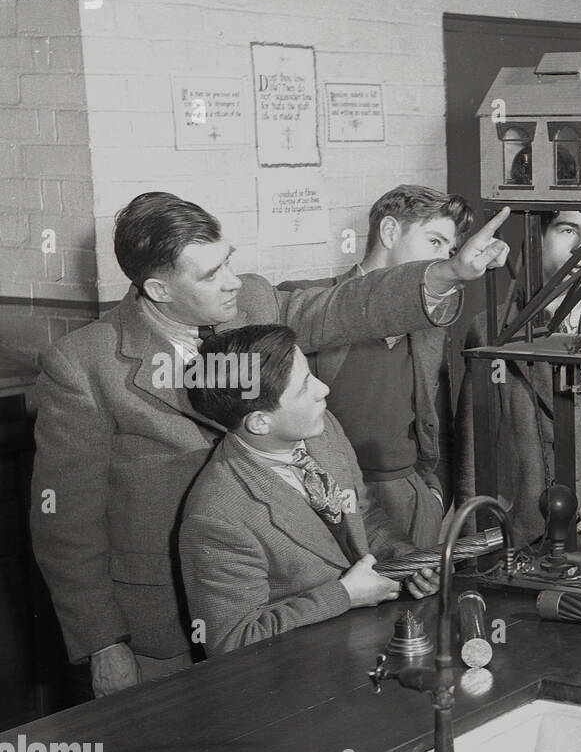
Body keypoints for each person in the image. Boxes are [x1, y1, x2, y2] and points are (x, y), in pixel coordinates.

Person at [30, 190, 509, 696]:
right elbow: (67, 527)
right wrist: (104, 644)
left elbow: (346, 307)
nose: (232, 282)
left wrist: (445, 274)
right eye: (210, 275)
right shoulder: (83, 365)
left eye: (228, 262)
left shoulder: (253, 301)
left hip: (294, 609)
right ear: (158, 288)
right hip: (164, 627)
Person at [179, 326, 435, 655]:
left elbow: (363, 516)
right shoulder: (218, 518)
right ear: (259, 422)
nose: (323, 388)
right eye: (303, 388)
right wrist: (344, 595)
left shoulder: (322, 428)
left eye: (311, 375)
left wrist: (407, 561)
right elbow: (232, 642)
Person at [281, 185, 476, 550]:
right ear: (389, 232)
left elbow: (439, 424)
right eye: (434, 242)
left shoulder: (431, 325)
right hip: (332, 503)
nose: (443, 260)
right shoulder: (309, 306)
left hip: (411, 501)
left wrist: (434, 497)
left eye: (448, 250)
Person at [455, 210, 581, 544]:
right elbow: (473, 450)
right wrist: (475, 551)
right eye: (567, 229)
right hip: (519, 533)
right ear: (537, 236)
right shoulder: (490, 328)